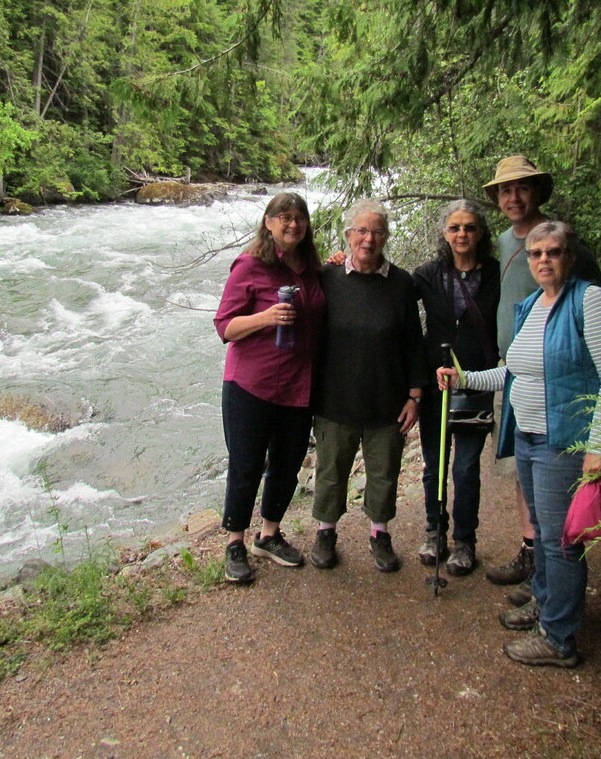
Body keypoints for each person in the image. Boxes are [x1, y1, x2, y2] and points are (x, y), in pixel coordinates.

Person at [438, 220, 601, 667]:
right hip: (527, 435)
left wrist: (597, 447)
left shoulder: (589, 300)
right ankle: (546, 602)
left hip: (564, 439)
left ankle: (559, 638)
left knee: (562, 541)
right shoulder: (531, 305)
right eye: (536, 253)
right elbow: (512, 371)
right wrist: (465, 378)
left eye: (554, 252)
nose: (544, 260)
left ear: (570, 256)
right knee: (542, 532)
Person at [483, 155, 601, 599]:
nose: (513, 197)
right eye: (504, 190)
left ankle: (554, 582)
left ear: (537, 192)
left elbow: (593, 302)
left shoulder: (562, 241)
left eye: (521, 188)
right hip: (514, 373)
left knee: (553, 474)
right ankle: (532, 554)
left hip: (560, 380)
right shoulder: (497, 242)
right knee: (524, 468)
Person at [213, 193, 326, 584]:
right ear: (268, 222)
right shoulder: (249, 265)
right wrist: (264, 317)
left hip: (299, 385)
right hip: (251, 384)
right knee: (246, 466)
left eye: (299, 218)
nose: (292, 224)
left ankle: (270, 534)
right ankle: (234, 542)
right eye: (284, 217)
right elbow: (225, 327)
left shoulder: (312, 268)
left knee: (288, 464)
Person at [310, 199, 426, 573]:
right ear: (347, 235)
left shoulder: (402, 283)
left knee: (384, 472)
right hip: (334, 398)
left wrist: (414, 395)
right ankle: (326, 532)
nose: (368, 238)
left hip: (387, 398)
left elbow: (413, 342)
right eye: (361, 230)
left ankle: (379, 533)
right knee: (330, 471)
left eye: (377, 231)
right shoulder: (327, 278)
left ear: (386, 237)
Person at [411, 200, 499, 576]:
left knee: (464, 467)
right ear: (444, 234)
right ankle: (435, 531)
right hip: (436, 384)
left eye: (469, 227)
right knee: (434, 465)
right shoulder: (429, 274)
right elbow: (389, 292)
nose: (461, 234)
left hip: (478, 381)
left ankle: (465, 540)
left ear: (481, 233)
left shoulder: (498, 274)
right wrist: (342, 265)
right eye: (454, 228)